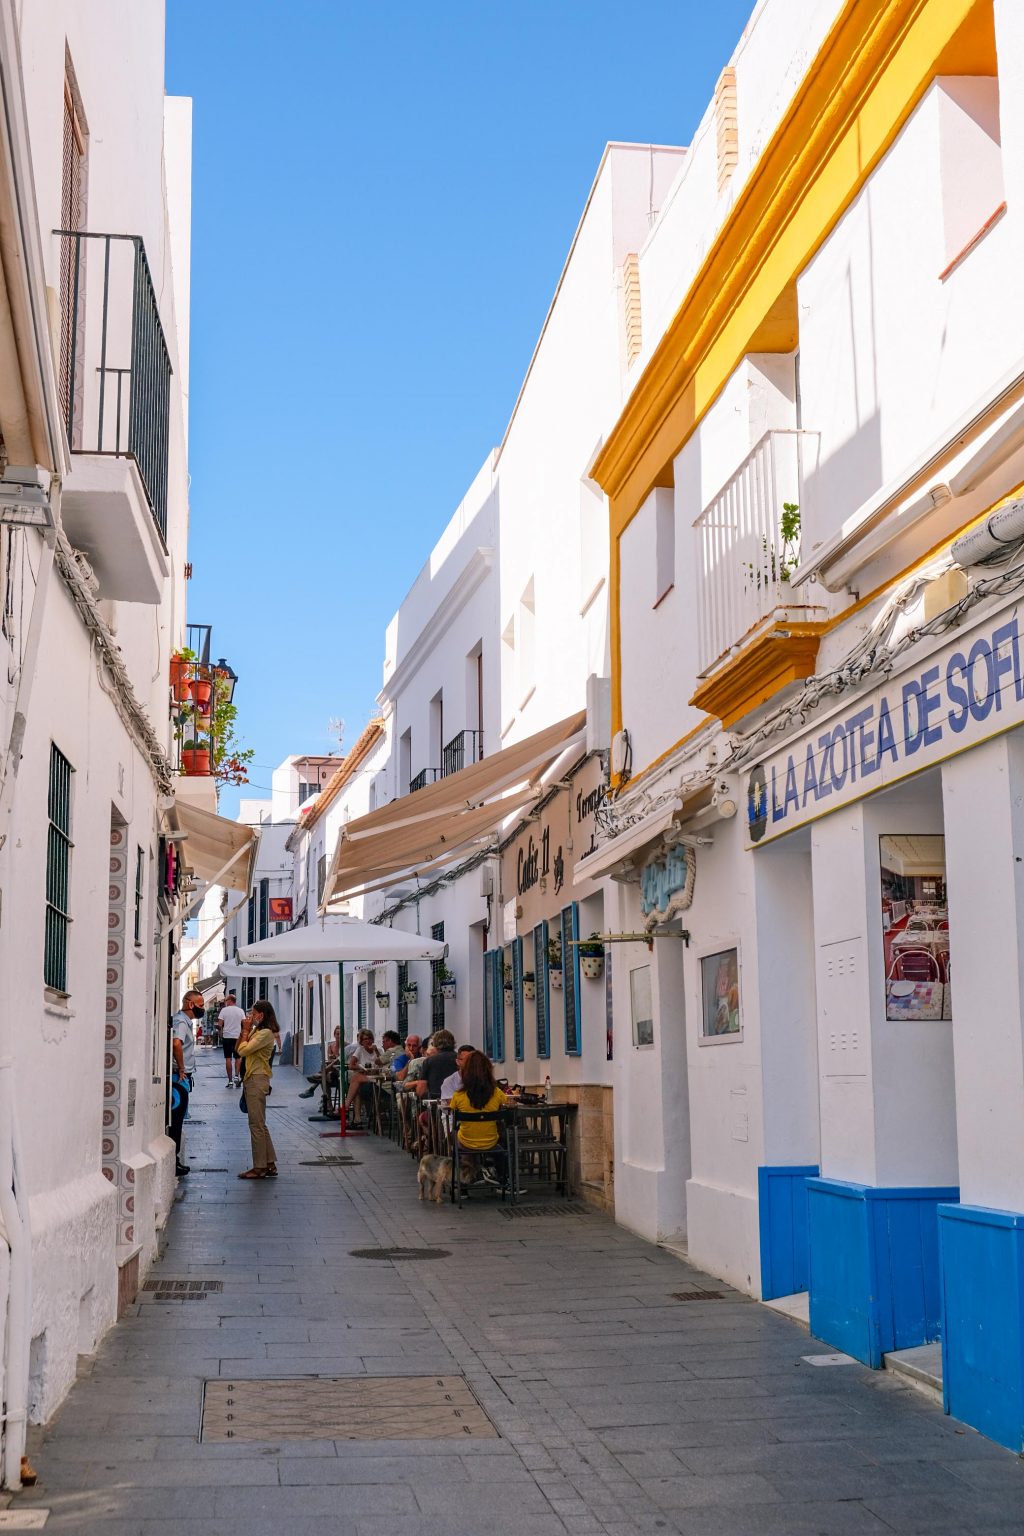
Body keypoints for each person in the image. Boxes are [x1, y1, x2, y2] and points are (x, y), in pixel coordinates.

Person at [236, 1000, 281, 1179]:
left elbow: (243, 1051)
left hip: (257, 1079)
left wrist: (246, 1032)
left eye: (253, 1013)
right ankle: (269, 1163)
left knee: (256, 1125)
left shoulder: (266, 1034)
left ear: (261, 1015)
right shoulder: (257, 1031)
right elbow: (238, 1047)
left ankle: (259, 1166)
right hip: (251, 1078)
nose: (250, 1016)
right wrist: (244, 1031)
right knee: (260, 1124)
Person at [449, 1050, 508, 1157]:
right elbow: (506, 1104)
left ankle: (465, 1164)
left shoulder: (458, 1095)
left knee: (452, 1134)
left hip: (465, 1142)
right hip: (491, 1142)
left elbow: (451, 1110)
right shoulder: (497, 1093)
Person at [169, 990, 202, 1176]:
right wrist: (181, 1068)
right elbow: (176, 1043)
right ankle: (173, 1161)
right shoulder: (181, 1021)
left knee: (179, 1118)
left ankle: (175, 1160)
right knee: (176, 1119)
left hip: (181, 1076)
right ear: (191, 1004)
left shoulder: (185, 1021)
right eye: (201, 1005)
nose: (202, 1008)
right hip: (178, 1077)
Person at [343, 1028, 383, 1124]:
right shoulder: (360, 1050)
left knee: (356, 1081)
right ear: (361, 1041)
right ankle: (357, 1118)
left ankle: (347, 1106)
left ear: (372, 1039)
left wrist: (376, 1051)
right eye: (365, 1039)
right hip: (365, 1078)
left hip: (377, 1078)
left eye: (369, 1038)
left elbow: (382, 1063)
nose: (367, 1041)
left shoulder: (379, 1050)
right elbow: (351, 1065)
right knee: (357, 1087)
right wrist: (361, 1068)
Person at [414, 1029, 458, 1100]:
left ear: (435, 1043)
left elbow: (421, 1090)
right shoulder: (460, 1059)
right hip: (457, 1100)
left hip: (436, 1101)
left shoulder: (429, 1061)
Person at [218, 992, 245, 1087]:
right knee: (238, 1057)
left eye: (226, 1000)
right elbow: (244, 1024)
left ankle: (230, 1081)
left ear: (230, 1001)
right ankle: (236, 1076)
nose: (226, 1002)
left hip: (227, 1037)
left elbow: (219, 1024)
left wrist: (220, 1033)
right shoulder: (240, 1011)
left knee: (228, 1058)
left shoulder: (224, 1011)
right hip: (238, 1037)